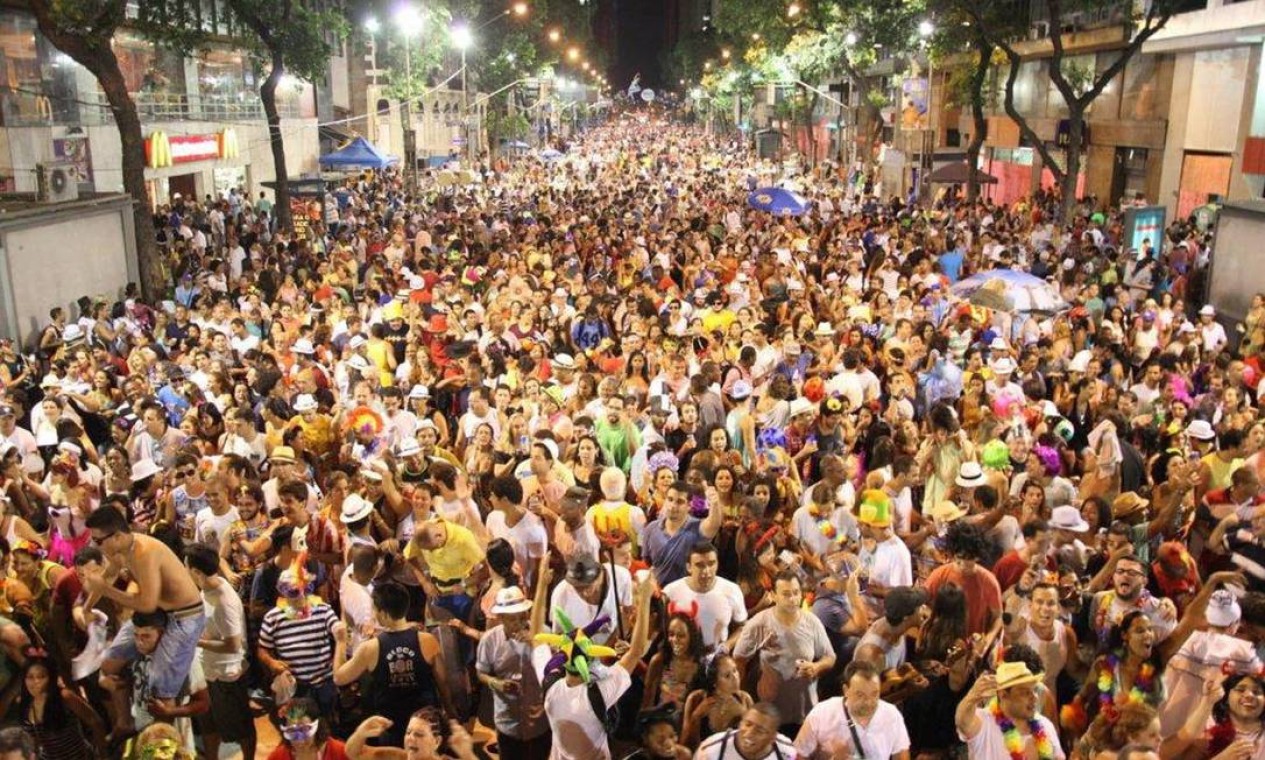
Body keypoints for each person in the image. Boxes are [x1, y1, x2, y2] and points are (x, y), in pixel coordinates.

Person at [85, 506, 205, 736]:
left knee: (160, 695)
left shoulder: (144, 552)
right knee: (109, 665)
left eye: (98, 541)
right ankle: (125, 722)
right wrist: (87, 606)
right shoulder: (119, 549)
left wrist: (106, 591)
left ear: (117, 536)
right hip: (158, 613)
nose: (95, 546)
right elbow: (107, 575)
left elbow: (146, 603)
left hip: (184, 616)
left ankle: (164, 744)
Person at [533, 567, 656, 760]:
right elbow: (636, 651)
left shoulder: (550, 686)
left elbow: (536, 639)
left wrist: (541, 585)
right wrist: (645, 598)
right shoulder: (600, 692)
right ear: (590, 657)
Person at [333, 582, 455, 746]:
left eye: (374, 610)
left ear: (383, 613)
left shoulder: (370, 648)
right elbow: (444, 683)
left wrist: (340, 642)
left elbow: (339, 678)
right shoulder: (427, 640)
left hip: (391, 726)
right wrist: (450, 712)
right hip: (425, 724)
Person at [732, 570, 836, 735]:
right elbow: (739, 660)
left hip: (805, 710)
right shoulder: (759, 624)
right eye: (786, 594)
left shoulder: (812, 622)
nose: (793, 599)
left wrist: (816, 667)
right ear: (773, 595)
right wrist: (745, 699)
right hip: (770, 712)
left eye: (796, 593)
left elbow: (829, 657)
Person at [184, 542, 255, 760]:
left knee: (239, 726)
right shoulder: (209, 587)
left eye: (186, 567)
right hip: (208, 671)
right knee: (208, 723)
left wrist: (197, 642)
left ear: (197, 572)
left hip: (227, 675)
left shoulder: (224, 602)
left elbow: (233, 644)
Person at [794, 659, 910, 760]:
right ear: (846, 690)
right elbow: (798, 756)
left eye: (875, 694)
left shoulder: (892, 715)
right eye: (860, 695)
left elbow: (901, 755)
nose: (869, 702)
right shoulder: (822, 713)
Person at [955, 661, 1066, 760]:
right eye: (1025, 692)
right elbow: (962, 721)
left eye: (1034, 690)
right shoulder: (984, 722)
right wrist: (973, 695)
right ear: (1003, 695)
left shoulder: (1045, 725)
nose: (1034, 697)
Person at [694, 703, 797, 760]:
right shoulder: (711, 751)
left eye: (760, 730)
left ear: (772, 738)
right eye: (747, 724)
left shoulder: (786, 753)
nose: (748, 733)